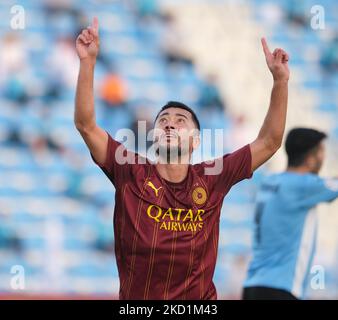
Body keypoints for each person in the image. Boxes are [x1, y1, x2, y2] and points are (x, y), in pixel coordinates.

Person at [74, 17, 290, 300]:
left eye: (180, 120)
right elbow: (86, 125)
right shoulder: (130, 170)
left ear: (196, 141)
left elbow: (270, 142)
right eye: (163, 120)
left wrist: (281, 82)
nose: (170, 124)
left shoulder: (213, 176)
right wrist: (88, 63)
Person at [243, 128, 338, 300]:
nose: (323, 159)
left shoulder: (270, 181)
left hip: (252, 286)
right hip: (281, 289)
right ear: (310, 159)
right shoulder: (303, 185)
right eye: (321, 152)